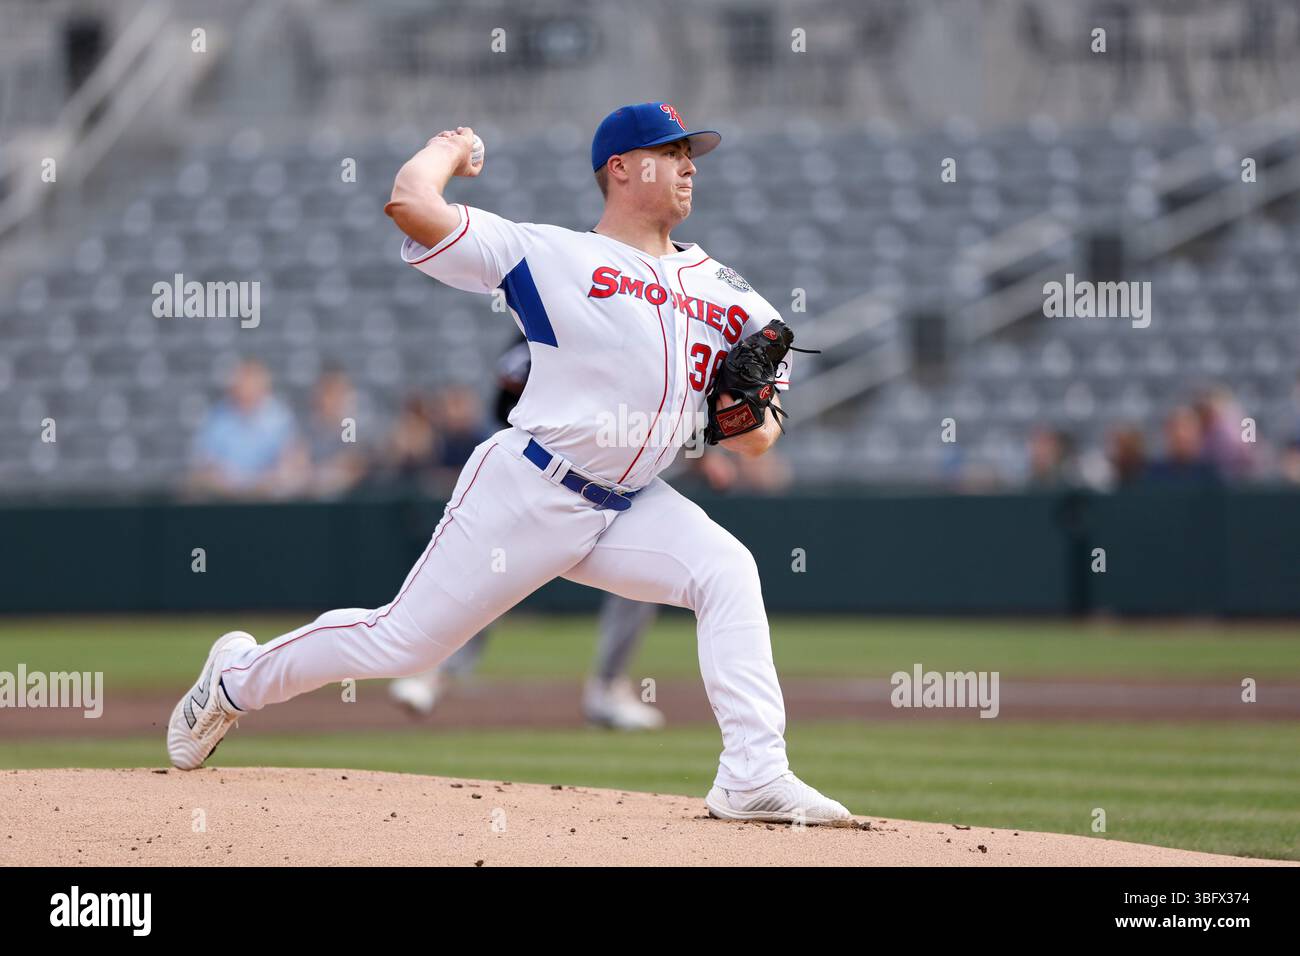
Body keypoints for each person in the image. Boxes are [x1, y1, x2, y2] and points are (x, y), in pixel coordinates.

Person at [167, 102, 852, 826]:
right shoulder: (550, 255)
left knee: (728, 569)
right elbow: (410, 204)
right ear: (620, 169)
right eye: (670, 151)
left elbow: (758, 438)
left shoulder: (730, 292)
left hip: (628, 503)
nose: (688, 166)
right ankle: (235, 679)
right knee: (401, 641)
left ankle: (753, 775)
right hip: (529, 488)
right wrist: (446, 148)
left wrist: (748, 418)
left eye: (692, 154)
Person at [389, 337, 668, 730]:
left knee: (645, 571)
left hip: (604, 481)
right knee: (492, 573)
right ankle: (435, 673)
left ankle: (607, 689)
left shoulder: (633, 334)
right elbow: (508, 387)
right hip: (537, 479)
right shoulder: (544, 332)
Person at [186, 358, 305, 498]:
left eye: (251, 385)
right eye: (242, 385)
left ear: (263, 388)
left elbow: (293, 462)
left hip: (269, 498)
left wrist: (264, 482)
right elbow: (204, 464)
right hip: (224, 498)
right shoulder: (217, 417)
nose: (246, 392)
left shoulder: (280, 419)